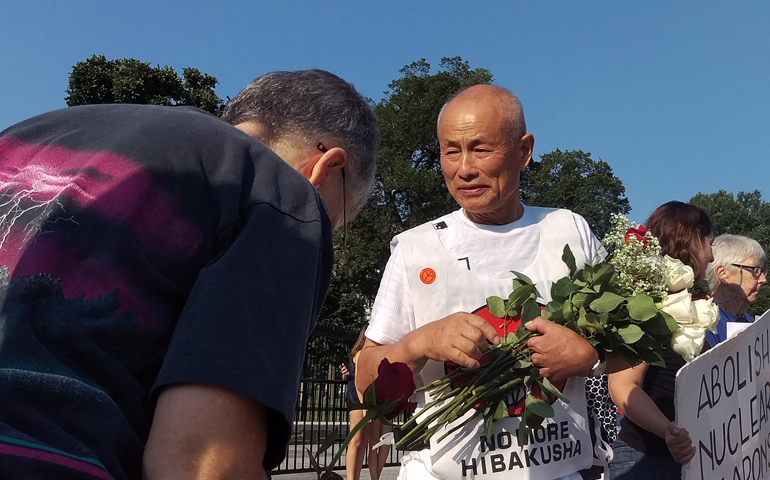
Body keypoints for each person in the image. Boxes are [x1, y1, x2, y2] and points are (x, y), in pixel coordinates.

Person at [0, 69, 379, 480]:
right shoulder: (278, 191)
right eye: (333, 219)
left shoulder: (31, 132)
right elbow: (200, 466)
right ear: (327, 167)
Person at [357, 84, 621, 480]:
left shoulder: (569, 231)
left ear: (523, 151)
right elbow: (366, 382)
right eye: (451, 150)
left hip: (558, 468)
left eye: (481, 149)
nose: (464, 168)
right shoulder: (416, 250)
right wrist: (420, 342)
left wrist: (590, 358)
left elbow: (628, 351)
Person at [608, 201, 714, 480]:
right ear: (691, 239)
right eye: (709, 244)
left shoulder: (684, 303)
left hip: (681, 459)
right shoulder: (645, 305)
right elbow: (623, 385)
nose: (712, 257)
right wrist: (668, 430)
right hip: (645, 459)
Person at [342, 328, 393, 480]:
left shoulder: (377, 353)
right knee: (357, 440)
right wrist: (365, 407)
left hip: (373, 399)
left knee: (369, 440)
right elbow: (358, 382)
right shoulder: (358, 354)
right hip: (357, 397)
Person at [705, 234, 767, 346]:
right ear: (723, 273)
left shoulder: (752, 323)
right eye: (755, 270)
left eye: (762, 271)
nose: (763, 279)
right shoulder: (704, 326)